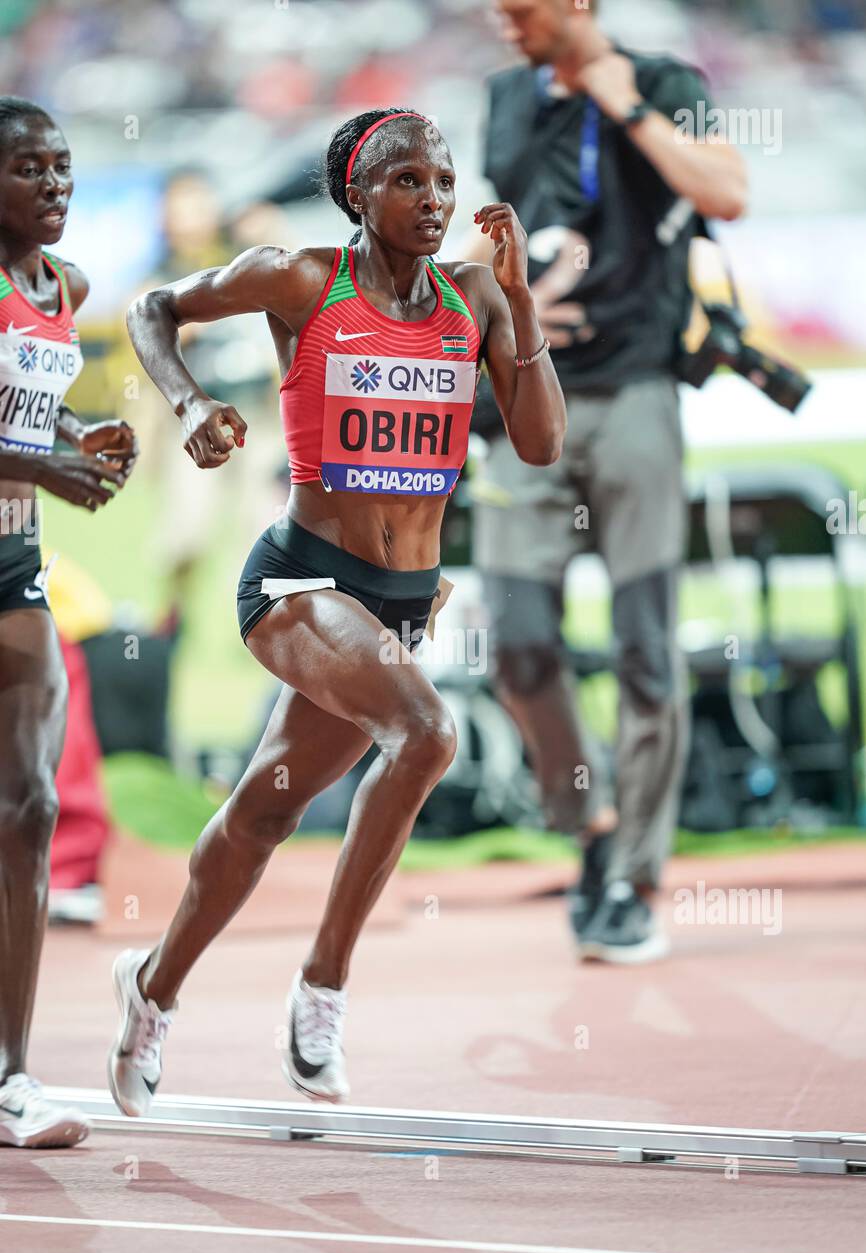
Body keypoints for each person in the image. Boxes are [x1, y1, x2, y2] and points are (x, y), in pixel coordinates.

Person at [112, 107, 565, 1109]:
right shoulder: (303, 279)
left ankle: (150, 990)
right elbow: (153, 309)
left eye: (442, 181)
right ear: (357, 193)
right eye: (407, 181)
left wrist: (523, 304)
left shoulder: (476, 297)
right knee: (426, 732)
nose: (434, 200)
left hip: (398, 603)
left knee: (267, 807)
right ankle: (322, 987)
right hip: (299, 581)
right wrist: (189, 405)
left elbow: (538, 444)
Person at [470, 0, 748, 962]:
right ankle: (588, 827)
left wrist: (625, 105)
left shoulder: (667, 82)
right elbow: (492, 240)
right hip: (526, 401)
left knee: (643, 649)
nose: (502, 23)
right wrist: (508, 298)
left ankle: (633, 877)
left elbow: (726, 191)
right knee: (518, 644)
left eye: (519, 8)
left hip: (636, 395)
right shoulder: (504, 99)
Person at [0, 96, 136, 1147]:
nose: (54, 184)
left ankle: (9, 1078)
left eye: (63, 166)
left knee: (30, 806)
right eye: (29, 168)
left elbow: (34, 414)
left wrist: (91, 438)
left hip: (13, 562)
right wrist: (51, 462)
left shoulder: (66, 287)